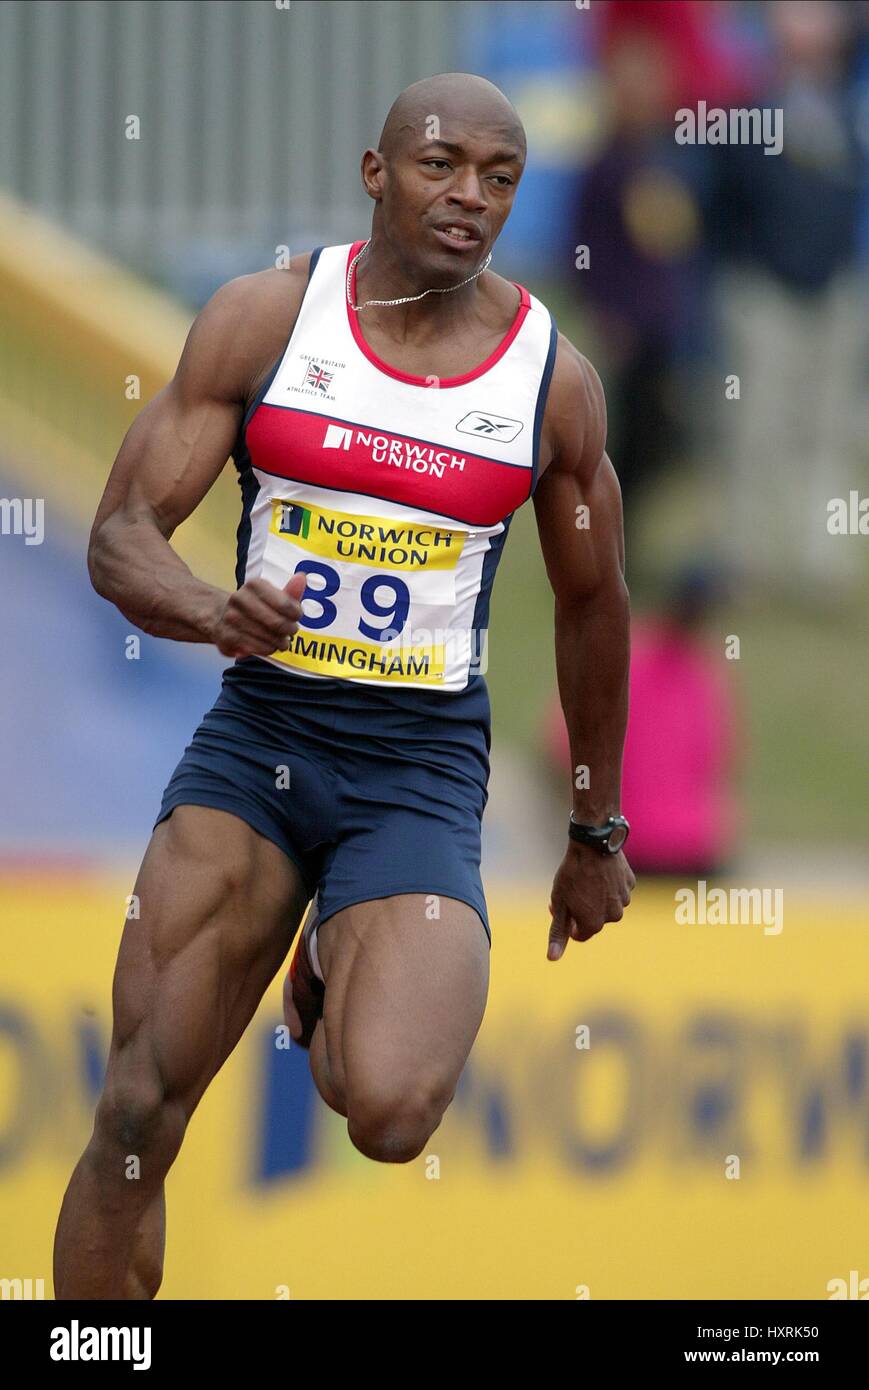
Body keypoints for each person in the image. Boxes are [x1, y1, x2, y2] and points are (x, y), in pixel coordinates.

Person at [54, 71, 634, 1300]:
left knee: (391, 1110)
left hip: (416, 769)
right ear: (375, 175)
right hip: (260, 736)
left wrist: (594, 826)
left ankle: (323, 976)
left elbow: (594, 607)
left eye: (498, 177)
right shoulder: (266, 322)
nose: (467, 197)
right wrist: (214, 605)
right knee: (136, 1113)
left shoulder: (548, 383)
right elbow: (119, 537)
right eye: (439, 166)